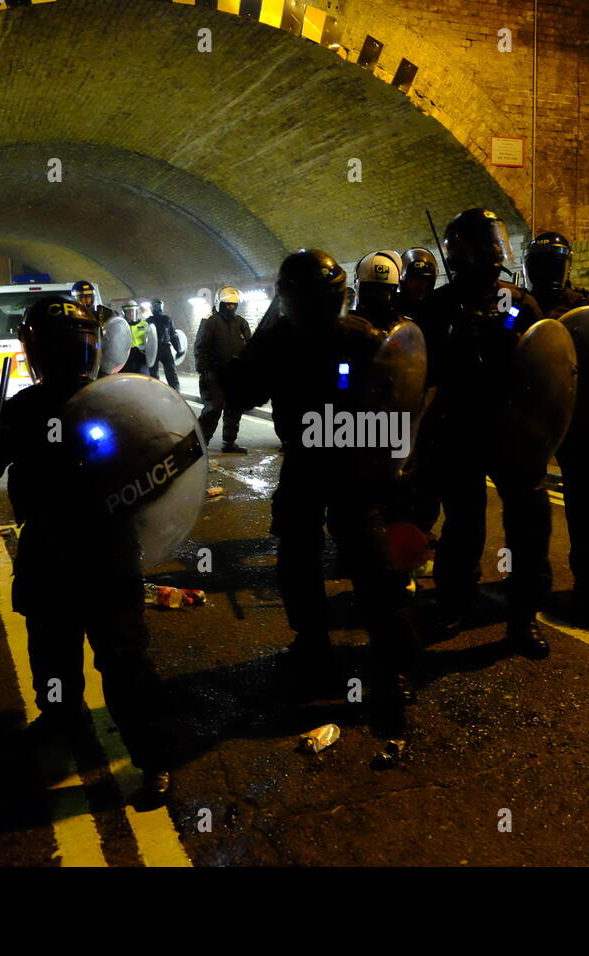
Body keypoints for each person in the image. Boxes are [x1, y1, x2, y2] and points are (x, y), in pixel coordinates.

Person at [0, 296, 170, 808]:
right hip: (110, 553)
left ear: (35, 352)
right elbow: (158, 476)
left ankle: (60, 730)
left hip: (51, 552)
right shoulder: (121, 406)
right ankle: (152, 759)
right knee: (125, 663)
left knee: (55, 658)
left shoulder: (27, 408)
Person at [221, 250, 423, 760]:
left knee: (359, 569)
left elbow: (395, 398)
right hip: (325, 464)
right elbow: (244, 390)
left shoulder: (347, 337)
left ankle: (371, 663)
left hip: (343, 464)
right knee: (319, 563)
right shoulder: (305, 336)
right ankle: (328, 649)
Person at [415, 208, 553, 659]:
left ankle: (522, 618)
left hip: (512, 430)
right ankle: (454, 603)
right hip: (459, 430)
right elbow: (421, 373)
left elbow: (541, 360)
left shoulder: (515, 301)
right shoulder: (438, 306)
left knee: (528, 527)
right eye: (485, 245)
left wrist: (499, 331)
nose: (494, 255)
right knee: (463, 525)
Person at [523, 232, 589, 621]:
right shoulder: (516, 307)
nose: (547, 272)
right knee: (527, 499)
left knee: (587, 499)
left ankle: (588, 576)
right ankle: (530, 575)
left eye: (553, 263)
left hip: (576, 417)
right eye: (541, 264)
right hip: (530, 416)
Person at [194, 286, 250, 453]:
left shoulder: (241, 322)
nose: (230, 307)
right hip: (214, 374)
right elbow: (201, 346)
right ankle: (199, 443)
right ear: (220, 304)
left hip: (234, 375)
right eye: (227, 304)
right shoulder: (210, 321)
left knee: (234, 408)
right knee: (213, 408)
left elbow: (250, 345)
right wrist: (204, 370)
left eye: (233, 304)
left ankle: (229, 442)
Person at [397, 248, 439, 323]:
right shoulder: (394, 307)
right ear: (403, 280)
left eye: (425, 280)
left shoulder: (439, 306)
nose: (421, 285)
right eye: (415, 279)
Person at [148, 298, 181, 390]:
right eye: (155, 306)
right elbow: (147, 338)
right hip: (153, 349)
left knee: (171, 372)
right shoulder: (148, 321)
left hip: (165, 348)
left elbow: (173, 335)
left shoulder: (167, 319)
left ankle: (175, 391)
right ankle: (154, 391)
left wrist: (178, 349)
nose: (157, 308)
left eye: (158, 306)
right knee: (153, 374)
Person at [119, 299, 150, 375]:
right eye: (129, 311)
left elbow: (151, 340)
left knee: (143, 378)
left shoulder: (144, 324)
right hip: (126, 357)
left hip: (141, 357)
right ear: (125, 313)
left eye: (133, 310)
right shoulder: (121, 325)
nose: (131, 313)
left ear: (137, 311)